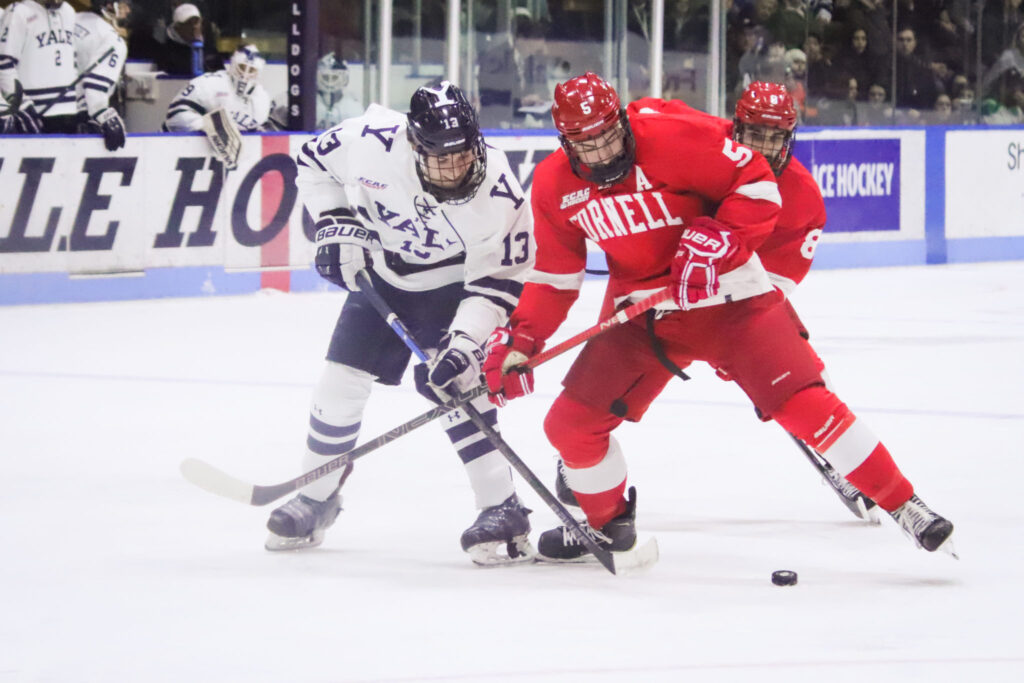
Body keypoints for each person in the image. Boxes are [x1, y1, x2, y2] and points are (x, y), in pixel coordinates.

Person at [483, 72, 955, 563]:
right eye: (586, 145)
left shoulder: (675, 139)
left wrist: (721, 240)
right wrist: (523, 341)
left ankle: (907, 504)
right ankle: (608, 528)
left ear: (622, 120)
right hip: (647, 317)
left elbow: (757, 185)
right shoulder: (556, 185)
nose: (602, 153)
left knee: (804, 403)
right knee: (569, 425)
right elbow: (555, 278)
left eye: (609, 136)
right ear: (564, 142)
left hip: (730, 301)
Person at [266, 80, 537, 566]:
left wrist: (464, 344)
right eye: (440, 157)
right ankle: (317, 494)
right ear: (413, 143)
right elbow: (312, 162)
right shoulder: (369, 139)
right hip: (384, 275)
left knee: (455, 387)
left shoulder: (500, 192)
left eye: (463, 154)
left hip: (455, 288)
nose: (455, 168)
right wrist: (334, 221)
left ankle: (502, 506)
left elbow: (498, 283)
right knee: (338, 384)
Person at [0, 0, 80, 133]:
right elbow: (4, 63)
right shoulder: (19, 12)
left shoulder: (69, 11)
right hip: (34, 113)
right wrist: (21, 104)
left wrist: (84, 108)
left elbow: (74, 64)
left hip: (69, 112)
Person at [162, 44, 272, 132]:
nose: (245, 75)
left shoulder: (262, 100)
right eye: (242, 67)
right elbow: (174, 118)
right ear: (233, 64)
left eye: (252, 70)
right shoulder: (208, 83)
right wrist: (206, 125)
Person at [74, 0, 129, 151]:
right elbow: (94, 88)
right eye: (124, 4)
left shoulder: (70, 18)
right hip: (78, 116)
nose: (128, 10)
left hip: (37, 109)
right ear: (110, 5)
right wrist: (105, 116)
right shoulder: (112, 40)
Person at [315, 51, 363, 130]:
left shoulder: (353, 108)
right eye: (326, 77)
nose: (330, 82)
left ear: (344, 78)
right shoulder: (309, 105)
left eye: (334, 77)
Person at [155, 2, 204, 77]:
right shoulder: (167, 52)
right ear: (177, 28)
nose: (194, 27)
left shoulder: (209, 49)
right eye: (188, 23)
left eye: (196, 22)